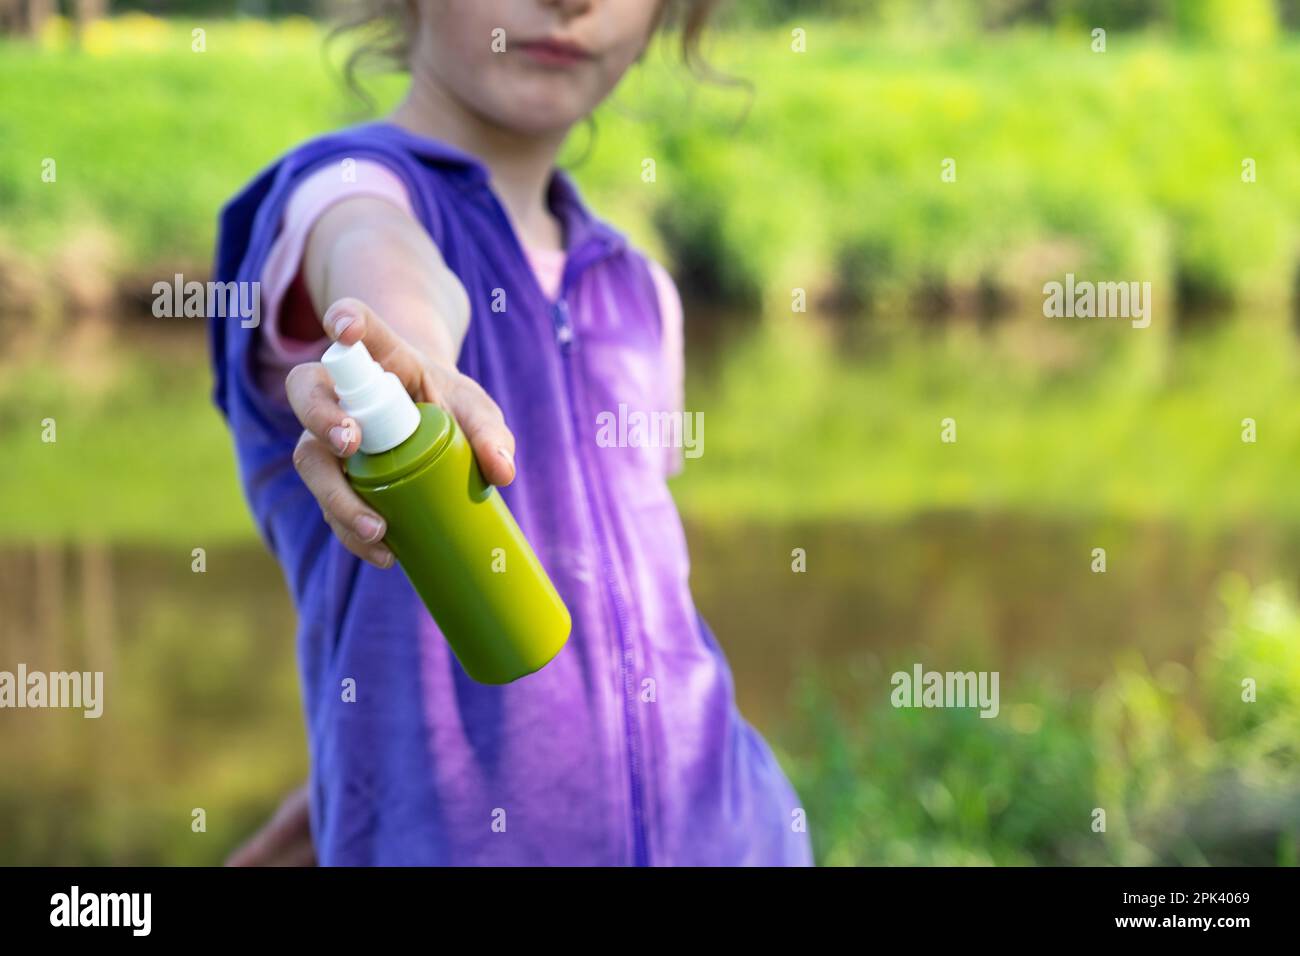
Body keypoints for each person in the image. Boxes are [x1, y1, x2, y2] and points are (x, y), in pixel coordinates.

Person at [212, 0, 811, 865]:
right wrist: (407, 361)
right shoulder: (339, 192)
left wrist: (370, 757)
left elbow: (633, 608)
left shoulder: (639, 288)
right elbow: (378, 258)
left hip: (731, 833)